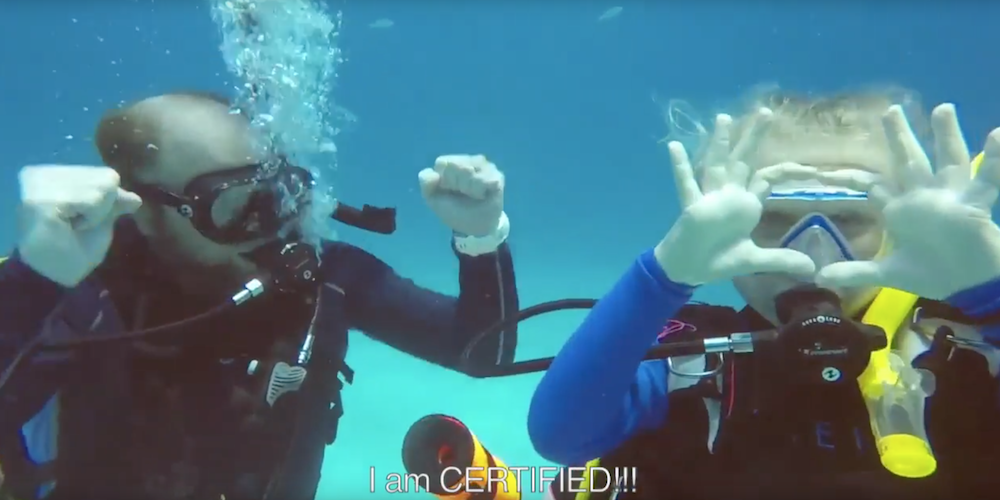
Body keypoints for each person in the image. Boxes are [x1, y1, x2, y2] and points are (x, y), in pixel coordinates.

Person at [0, 92, 520, 500]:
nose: (269, 222)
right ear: (147, 211)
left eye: (274, 190)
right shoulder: (82, 286)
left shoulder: (324, 276)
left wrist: (481, 238)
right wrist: (34, 280)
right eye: (230, 203)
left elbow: (482, 353)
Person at [527, 88, 1000, 499]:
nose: (813, 254)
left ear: (898, 229)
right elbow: (561, 435)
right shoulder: (695, 357)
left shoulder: (965, 344)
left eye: (850, 219)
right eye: (772, 219)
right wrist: (665, 272)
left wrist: (990, 290)